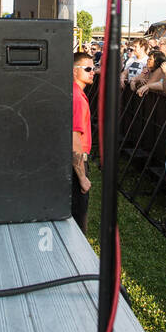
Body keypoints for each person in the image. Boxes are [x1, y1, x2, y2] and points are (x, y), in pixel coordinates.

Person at [71, 51, 95, 230]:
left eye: (93, 68)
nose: (92, 72)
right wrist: (82, 177)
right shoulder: (78, 99)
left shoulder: (74, 93)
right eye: (87, 69)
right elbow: (74, 139)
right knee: (78, 221)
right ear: (74, 71)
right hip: (76, 164)